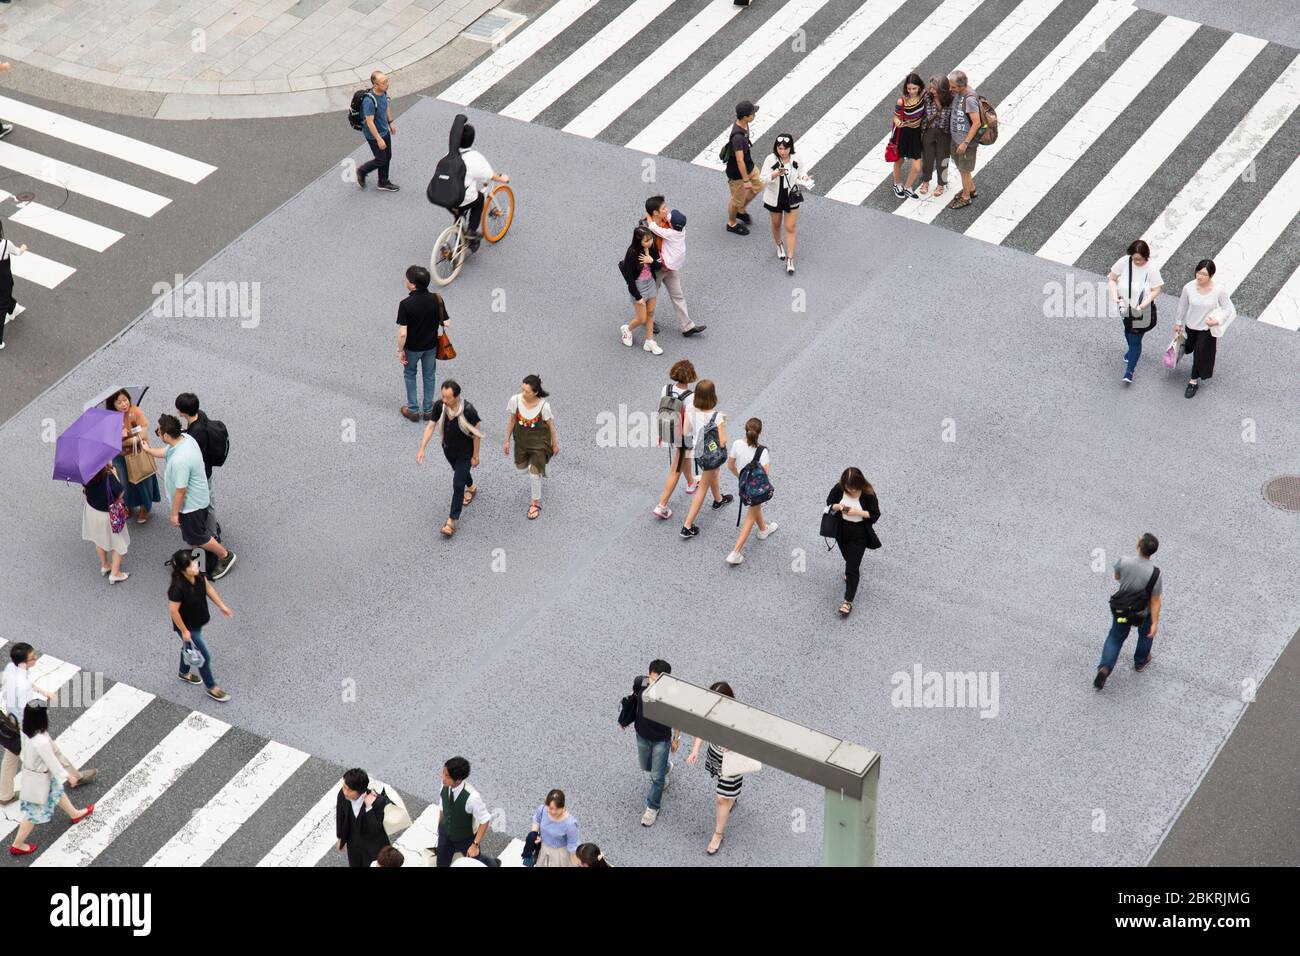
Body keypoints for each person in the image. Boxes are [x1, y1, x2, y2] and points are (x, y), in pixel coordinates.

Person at [0, 643, 98, 806]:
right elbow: (28, 709)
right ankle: (75, 777)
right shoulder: (22, 687)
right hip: (25, 724)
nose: (35, 658)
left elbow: (25, 683)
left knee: (11, 757)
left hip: (11, 720)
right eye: (32, 657)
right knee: (52, 750)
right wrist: (37, 724)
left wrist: (43, 692)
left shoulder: (12, 668)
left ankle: (5, 794)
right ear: (24, 662)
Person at [149, 414, 235, 580]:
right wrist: (148, 450)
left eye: (157, 432)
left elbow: (181, 490)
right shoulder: (185, 439)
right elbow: (165, 451)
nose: (157, 434)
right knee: (193, 537)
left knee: (199, 537)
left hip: (190, 506)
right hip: (199, 498)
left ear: (166, 436)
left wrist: (174, 514)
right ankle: (200, 566)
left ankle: (225, 556)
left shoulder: (180, 460)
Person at [9, 702, 95, 856]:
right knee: (32, 814)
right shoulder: (40, 740)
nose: (48, 713)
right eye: (45, 712)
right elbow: (52, 762)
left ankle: (75, 814)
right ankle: (17, 844)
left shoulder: (25, 729)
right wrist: (69, 776)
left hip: (35, 773)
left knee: (57, 791)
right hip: (39, 780)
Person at [1094, 534, 1163, 690]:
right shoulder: (1156, 573)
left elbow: (1117, 576)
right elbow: (1155, 600)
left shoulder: (1124, 561)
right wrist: (1155, 623)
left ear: (1139, 545)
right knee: (1146, 633)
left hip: (1123, 612)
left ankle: (1105, 668)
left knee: (1115, 637)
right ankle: (1141, 661)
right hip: (1141, 615)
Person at [416, 380, 483, 538]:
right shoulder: (440, 406)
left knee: (458, 484)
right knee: (460, 472)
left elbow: (476, 435)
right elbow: (431, 426)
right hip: (448, 449)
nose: (444, 400)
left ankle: (451, 521)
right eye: (442, 396)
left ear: (457, 396)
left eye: (448, 398)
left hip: (465, 453)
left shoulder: (468, 411)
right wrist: (422, 448)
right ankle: (472, 488)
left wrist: (476, 456)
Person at [686, 681, 745, 856]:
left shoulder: (739, 715)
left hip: (732, 761)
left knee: (721, 798)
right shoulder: (711, 710)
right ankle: (731, 799)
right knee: (726, 796)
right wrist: (696, 749)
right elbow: (703, 728)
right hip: (716, 755)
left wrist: (735, 744)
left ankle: (718, 834)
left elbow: (749, 738)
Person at [167, 548, 233, 702]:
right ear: (183, 570)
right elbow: (174, 611)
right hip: (188, 627)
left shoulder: (198, 576)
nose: (197, 566)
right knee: (204, 656)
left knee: (189, 648)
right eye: (193, 565)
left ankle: (183, 672)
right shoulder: (177, 589)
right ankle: (212, 687)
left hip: (196, 621)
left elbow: (208, 589)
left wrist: (221, 606)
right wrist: (184, 631)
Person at [620, 659, 680, 827]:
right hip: (642, 735)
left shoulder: (671, 695)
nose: (652, 682)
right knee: (646, 766)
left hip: (661, 739)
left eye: (657, 680)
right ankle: (666, 768)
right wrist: (625, 720)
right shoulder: (641, 683)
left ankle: (652, 807)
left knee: (656, 777)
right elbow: (633, 701)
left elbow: (678, 719)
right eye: (651, 678)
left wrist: (676, 739)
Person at [1173, 258, 1236, 399]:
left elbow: (1227, 309)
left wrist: (1217, 321)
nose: (1200, 276)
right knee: (1188, 347)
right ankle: (1185, 355)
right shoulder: (1188, 287)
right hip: (1191, 325)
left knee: (1200, 353)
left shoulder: (1218, 290)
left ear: (1211, 275)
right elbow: (1182, 306)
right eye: (1198, 273)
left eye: (1204, 274)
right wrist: (1178, 322)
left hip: (1206, 329)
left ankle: (1193, 381)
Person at [642, 196, 705, 336]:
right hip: (656, 268)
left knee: (678, 295)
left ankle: (687, 326)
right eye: (663, 208)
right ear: (655, 213)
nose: (667, 210)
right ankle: (646, 319)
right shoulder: (645, 228)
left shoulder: (667, 222)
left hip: (669, 267)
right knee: (651, 296)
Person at [679, 379, 731, 539]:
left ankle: (718, 499)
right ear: (712, 396)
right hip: (712, 454)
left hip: (698, 450)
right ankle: (687, 526)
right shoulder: (717, 416)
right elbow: (722, 441)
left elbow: (686, 432)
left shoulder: (689, 408)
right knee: (703, 488)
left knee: (712, 475)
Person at [1108, 240, 1164, 384]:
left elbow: (1156, 289)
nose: (1137, 261)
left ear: (1146, 256)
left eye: (1139, 259)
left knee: (1135, 339)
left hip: (1142, 311)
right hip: (1125, 306)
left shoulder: (1151, 269)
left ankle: (1129, 371)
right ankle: (1131, 353)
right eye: (1134, 258)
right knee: (1127, 331)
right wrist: (1116, 298)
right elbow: (1112, 279)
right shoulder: (1124, 262)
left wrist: (1142, 305)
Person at [827, 467, 881, 617]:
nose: (850, 490)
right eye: (847, 487)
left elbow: (875, 515)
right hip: (841, 530)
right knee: (847, 558)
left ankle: (847, 601)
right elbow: (829, 504)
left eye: (853, 488)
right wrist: (838, 507)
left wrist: (857, 512)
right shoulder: (839, 488)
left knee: (852, 568)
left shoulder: (868, 495)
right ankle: (851, 570)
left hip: (859, 534)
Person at [503, 375, 558, 521]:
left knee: (534, 474)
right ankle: (535, 469)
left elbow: (551, 426)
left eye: (526, 391)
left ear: (535, 392)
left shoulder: (544, 406)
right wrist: (507, 440)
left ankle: (535, 503)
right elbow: (511, 420)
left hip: (540, 444)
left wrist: (555, 444)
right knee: (521, 470)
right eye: (522, 389)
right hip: (521, 443)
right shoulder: (515, 400)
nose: (523, 393)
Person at [396, 265, 447, 422]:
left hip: (412, 348)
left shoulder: (405, 304)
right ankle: (428, 410)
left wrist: (400, 350)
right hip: (431, 347)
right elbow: (447, 322)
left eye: (407, 279)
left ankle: (412, 410)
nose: (406, 281)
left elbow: (403, 333)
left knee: (410, 374)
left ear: (412, 284)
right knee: (429, 375)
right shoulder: (436, 299)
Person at [725, 418, 776, 565]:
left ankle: (763, 529)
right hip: (757, 490)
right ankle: (735, 552)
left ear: (745, 430)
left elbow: (730, 465)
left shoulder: (736, 444)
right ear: (759, 432)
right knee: (749, 518)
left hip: (743, 485)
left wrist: (740, 477)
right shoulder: (762, 451)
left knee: (755, 508)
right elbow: (765, 474)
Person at [106, 388, 161, 524]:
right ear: (113, 404)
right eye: (119, 402)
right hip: (120, 456)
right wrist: (122, 438)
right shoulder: (110, 419)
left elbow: (142, 435)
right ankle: (128, 505)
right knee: (123, 483)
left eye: (125, 400)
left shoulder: (135, 411)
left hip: (138, 454)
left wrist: (126, 438)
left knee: (142, 481)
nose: (124, 404)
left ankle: (145, 508)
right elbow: (109, 442)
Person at [653, 360, 699, 520]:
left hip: (666, 429)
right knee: (676, 469)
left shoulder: (666, 388)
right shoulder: (691, 398)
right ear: (691, 377)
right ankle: (662, 505)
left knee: (684, 458)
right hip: (682, 435)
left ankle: (691, 482)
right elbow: (691, 422)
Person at [761, 133, 810, 275]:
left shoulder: (796, 158)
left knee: (790, 227)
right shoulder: (770, 159)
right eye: (780, 148)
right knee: (776, 224)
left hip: (791, 197)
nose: (782, 151)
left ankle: (790, 259)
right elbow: (761, 179)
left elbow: (801, 172)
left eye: (785, 148)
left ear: (790, 148)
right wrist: (775, 174)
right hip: (774, 198)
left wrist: (804, 177)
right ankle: (779, 245)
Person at [435, 756, 495, 867]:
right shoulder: (444, 785)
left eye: (447, 776)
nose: (443, 778)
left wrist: (474, 845)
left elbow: (485, 820)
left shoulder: (472, 797)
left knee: (475, 862)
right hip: (446, 834)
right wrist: (439, 826)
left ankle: (492, 864)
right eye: (443, 773)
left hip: (465, 838)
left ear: (458, 779)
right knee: (441, 864)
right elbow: (442, 805)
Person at [455, 124, 509, 240]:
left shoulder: (449, 154)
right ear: (472, 139)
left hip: (442, 194)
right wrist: (502, 178)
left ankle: (458, 240)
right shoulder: (474, 157)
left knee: (458, 211)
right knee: (479, 200)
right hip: (461, 196)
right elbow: (490, 175)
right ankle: (471, 230)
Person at [81, 461, 131, 583]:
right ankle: (115, 573)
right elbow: (120, 495)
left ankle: (105, 565)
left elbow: (84, 490)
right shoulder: (109, 478)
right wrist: (115, 475)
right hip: (108, 516)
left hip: (92, 511)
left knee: (99, 540)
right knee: (119, 544)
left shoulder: (85, 473)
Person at [618, 226, 663, 355]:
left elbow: (659, 265)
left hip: (651, 283)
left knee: (651, 313)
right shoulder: (632, 252)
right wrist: (637, 297)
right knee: (642, 318)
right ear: (638, 241)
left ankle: (649, 341)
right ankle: (627, 329)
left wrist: (651, 260)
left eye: (650, 239)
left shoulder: (651, 247)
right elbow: (630, 278)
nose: (650, 242)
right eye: (646, 241)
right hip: (638, 286)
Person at [335, 768, 393, 867]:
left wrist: (369, 808)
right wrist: (340, 837)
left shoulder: (378, 802)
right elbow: (340, 816)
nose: (345, 791)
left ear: (360, 791)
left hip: (373, 848)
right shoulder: (342, 794)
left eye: (349, 789)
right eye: (344, 787)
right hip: (353, 844)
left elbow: (375, 829)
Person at [725, 100, 762, 235]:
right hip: (738, 174)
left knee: (758, 186)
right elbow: (739, 161)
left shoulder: (744, 124)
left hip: (749, 166)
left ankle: (741, 210)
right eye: (753, 114)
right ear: (746, 116)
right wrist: (746, 180)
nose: (754, 115)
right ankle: (731, 223)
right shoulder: (738, 137)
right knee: (736, 200)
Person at [356, 71, 398, 192]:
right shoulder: (369, 101)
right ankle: (362, 171)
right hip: (374, 135)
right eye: (384, 82)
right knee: (381, 159)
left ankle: (383, 181)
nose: (387, 84)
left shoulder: (383, 92)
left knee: (387, 156)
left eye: (387, 80)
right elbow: (369, 123)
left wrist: (391, 122)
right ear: (376, 85)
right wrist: (379, 139)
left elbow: (385, 106)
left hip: (384, 130)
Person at [946, 70, 981, 210]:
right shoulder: (959, 93)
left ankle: (966, 197)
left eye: (953, 87)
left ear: (961, 86)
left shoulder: (970, 99)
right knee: (962, 168)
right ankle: (971, 190)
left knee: (964, 170)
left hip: (965, 143)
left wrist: (965, 143)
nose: (951, 89)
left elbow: (977, 123)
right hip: (957, 139)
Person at [890, 74, 926, 200]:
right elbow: (895, 116)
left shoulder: (923, 97)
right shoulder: (902, 101)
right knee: (899, 161)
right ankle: (897, 184)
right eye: (909, 88)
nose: (911, 91)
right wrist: (897, 121)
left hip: (916, 134)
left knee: (916, 167)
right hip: (903, 133)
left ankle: (907, 187)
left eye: (914, 88)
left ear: (919, 87)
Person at [919, 75, 952, 197]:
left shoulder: (951, 99)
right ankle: (925, 181)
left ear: (942, 89)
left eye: (934, 88)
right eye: (931, 87)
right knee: (927, 159)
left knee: (943, 160)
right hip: (929, 131)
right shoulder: (927, 97)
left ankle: (941, 184)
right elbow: (925, 115)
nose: (931, 90)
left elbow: (948, 118)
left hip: (945, 133)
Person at [529, 789, 581, 867]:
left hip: (560, 855)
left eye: (557, 809)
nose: (553, 812)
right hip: (543, 849)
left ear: (563, 806)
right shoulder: (542, 810)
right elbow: (536, 821)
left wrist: (578, 863)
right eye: (550, 808)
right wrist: (533, 835)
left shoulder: (570, 824)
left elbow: (573, 847)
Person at [0, 221, 26, 351]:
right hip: (4, 280)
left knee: (4, 299)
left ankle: (13, 308)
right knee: (2, 306)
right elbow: (17, 252)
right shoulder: (5, 244)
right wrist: (23, 247)